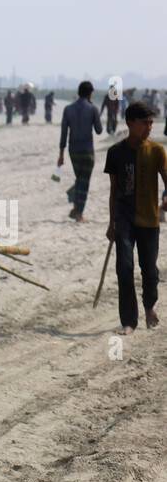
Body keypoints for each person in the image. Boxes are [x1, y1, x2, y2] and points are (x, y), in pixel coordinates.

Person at [103, 101, 167, 333]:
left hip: (149, 219)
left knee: (149, 268)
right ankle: (129, 321)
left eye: (151, 123)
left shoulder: (157, 151)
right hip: (124, 220)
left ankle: (149, 306)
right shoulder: (115, 153)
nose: (149, 127)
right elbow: (113, 190)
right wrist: (111, 223)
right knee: (124, 267)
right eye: (144, 123)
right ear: (130, 123)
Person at [59, 80, 105, 222]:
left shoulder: (68, 109)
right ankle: (79, 213)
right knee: (84, 181)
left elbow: (63, 133)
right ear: (90, 93)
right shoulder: (92, 109)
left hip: (73, 150)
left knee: (80, 179)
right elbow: (99, 130)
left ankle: (75, 207)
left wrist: (61, 154)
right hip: (87, 151)